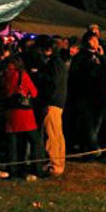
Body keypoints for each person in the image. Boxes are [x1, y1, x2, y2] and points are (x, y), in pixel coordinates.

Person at [0, 53, 40, 179]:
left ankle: (13, 169)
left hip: (10, 113)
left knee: (12, 143)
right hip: (25, 115)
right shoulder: (23, 75)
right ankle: (35, 169)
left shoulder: (3, 75)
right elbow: (34, 93)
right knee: (35, 141)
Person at [35, 38, 68, 176]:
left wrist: (39, 76)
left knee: (52, 134)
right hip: (57, 102)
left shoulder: (54, 64)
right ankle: (58, 162)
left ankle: (54, 164)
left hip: (52, 102)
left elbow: (52, 83)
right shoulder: (58, 63)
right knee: (56, 133)